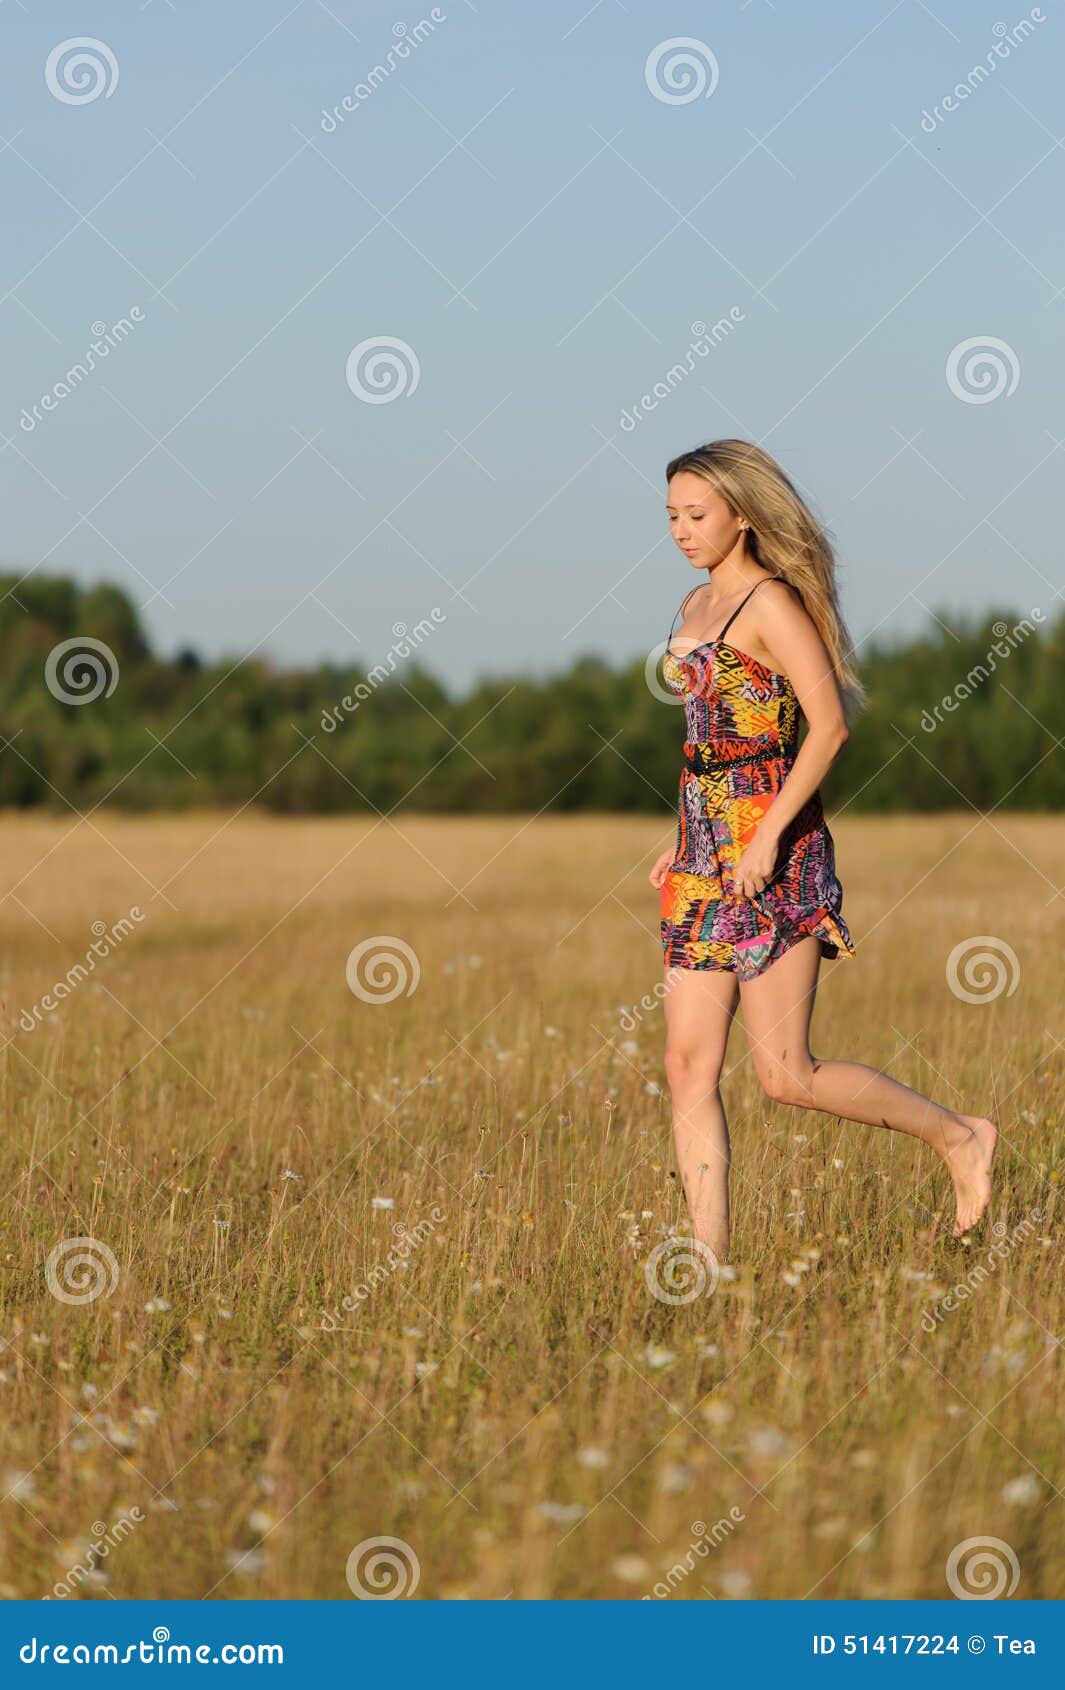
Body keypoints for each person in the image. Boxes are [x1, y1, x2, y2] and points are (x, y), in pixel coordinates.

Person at [648, 440, 996, 1259]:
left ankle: (958, 1137)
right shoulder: (691, 606)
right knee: (685, 1068)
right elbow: (705, 742)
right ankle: (706, 1268)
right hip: (703, 855)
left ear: (741, 514)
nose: (680, 530)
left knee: (783, 1074)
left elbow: (828, 726)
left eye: (696, 515)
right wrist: (681, 840)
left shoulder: (770, 606)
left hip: (777, 850)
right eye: (670, 516)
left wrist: (766, 836)